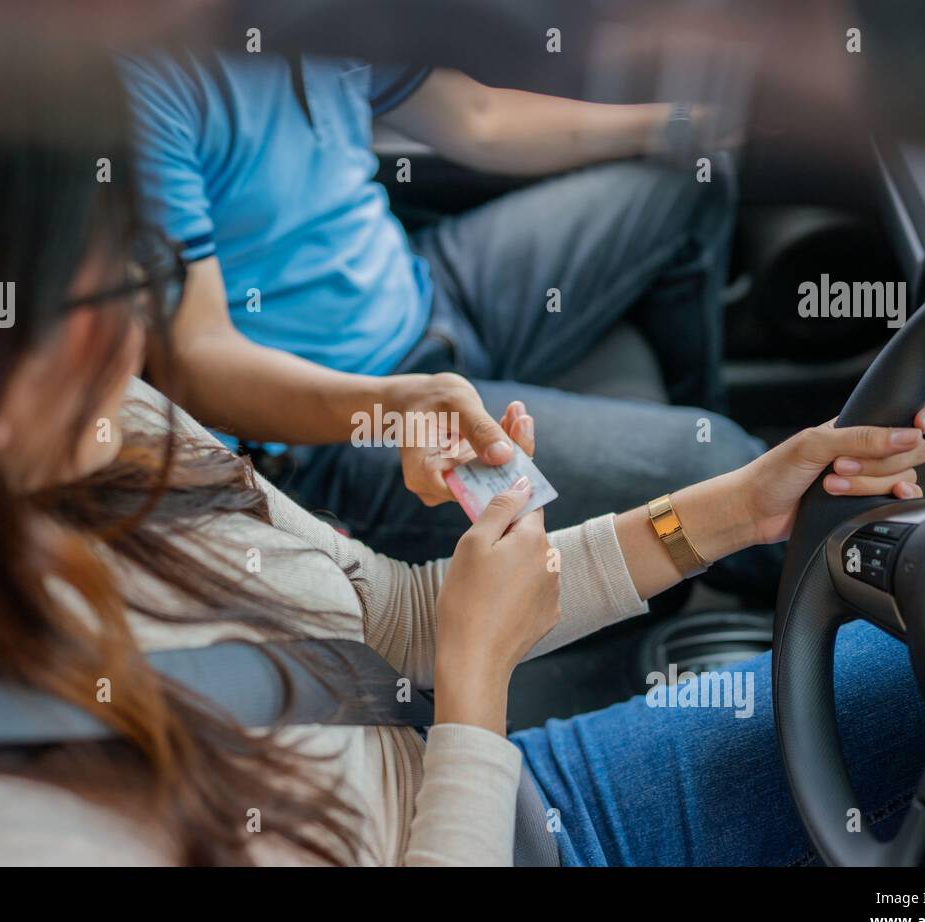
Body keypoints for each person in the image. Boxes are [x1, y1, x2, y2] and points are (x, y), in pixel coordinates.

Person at [0, 55, 925, 866]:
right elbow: (445, 655)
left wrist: (729, 510)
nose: (131, 336)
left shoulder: (112, 432)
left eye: (134, 269)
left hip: (503, 794)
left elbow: (391, 611)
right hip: (486, 801)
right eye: (95, 293)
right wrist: (473, 693)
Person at [121, 50, 781, 588]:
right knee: (720, 460)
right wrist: (397, 407)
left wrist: (681, 123)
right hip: (338, 429)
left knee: (690, 177)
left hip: (427, 292)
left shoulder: (319, 19)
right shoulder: (146, 86)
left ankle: (701, 475)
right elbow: (195, 361)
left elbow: (476, 118)